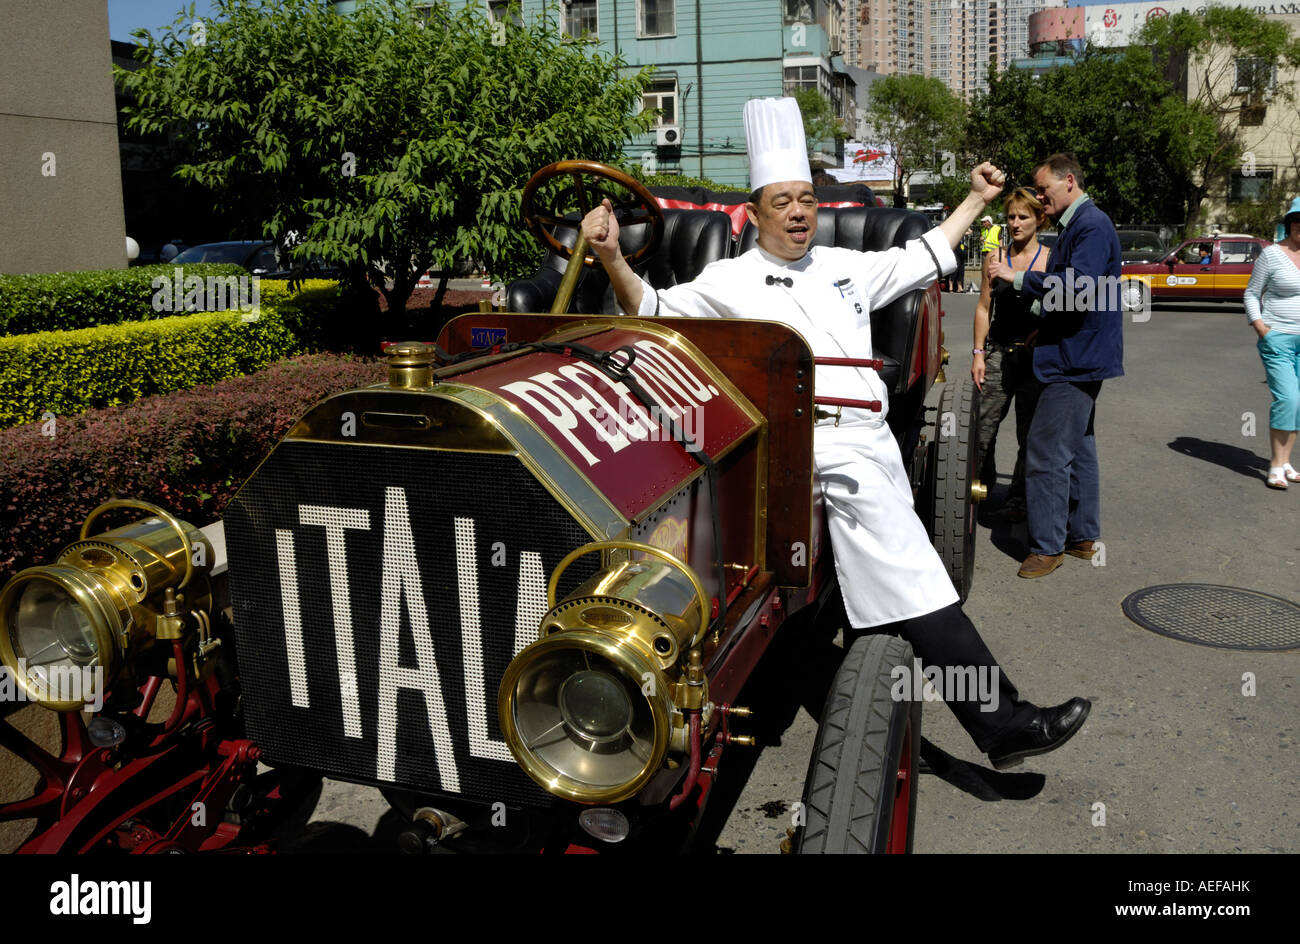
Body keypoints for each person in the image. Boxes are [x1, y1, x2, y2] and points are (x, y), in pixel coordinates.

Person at [581, 98, 1090, 769]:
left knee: (888, 585)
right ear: (755, 214)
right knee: (915, 579)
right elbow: (651, 308)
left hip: (872, 439)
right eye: (782, 202)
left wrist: (975, 198)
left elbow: (926, 254)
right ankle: (1002, 723)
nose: (798, 212)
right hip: (814, 448)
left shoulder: (845, 266)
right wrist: (612, 255)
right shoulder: (727, 281)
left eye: (806, 200)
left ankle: (854, 694)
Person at [988, 153, 1123, 579]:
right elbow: (1081, 295)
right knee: (1079, 447)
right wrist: (1043, 328)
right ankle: (1081, 536)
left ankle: (1047, 547)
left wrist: (1017, 278)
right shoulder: (1080, 224)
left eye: (1044, 189)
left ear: (1069, 182)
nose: (1040, 196)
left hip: (1074, 358)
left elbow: (1078, 288)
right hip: (1077, 351)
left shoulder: (1090, 225)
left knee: (1045, 451)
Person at [972, 188, 1051, 521]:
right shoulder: (995, 257)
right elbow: (983, 307)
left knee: (1029, 435)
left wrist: (1045, 330)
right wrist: (978, 353)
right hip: (998, 354)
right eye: (1011, 217)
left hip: (1035, 360)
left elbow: (1064, 305)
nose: (1016, 223)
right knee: (981, 428)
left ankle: (1019, 498)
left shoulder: (1050, 259)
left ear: (1039, 219)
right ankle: (982, 483)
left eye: (1024, 217)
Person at [1245, 196, 1300, 489]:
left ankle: (1287, 461)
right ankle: (1276, 465)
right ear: (1289, 223)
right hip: (1278, 338)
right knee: (1288, 399)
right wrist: (1261, 328)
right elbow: (1252, 293)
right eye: (1297, 220)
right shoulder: (1272, 254)